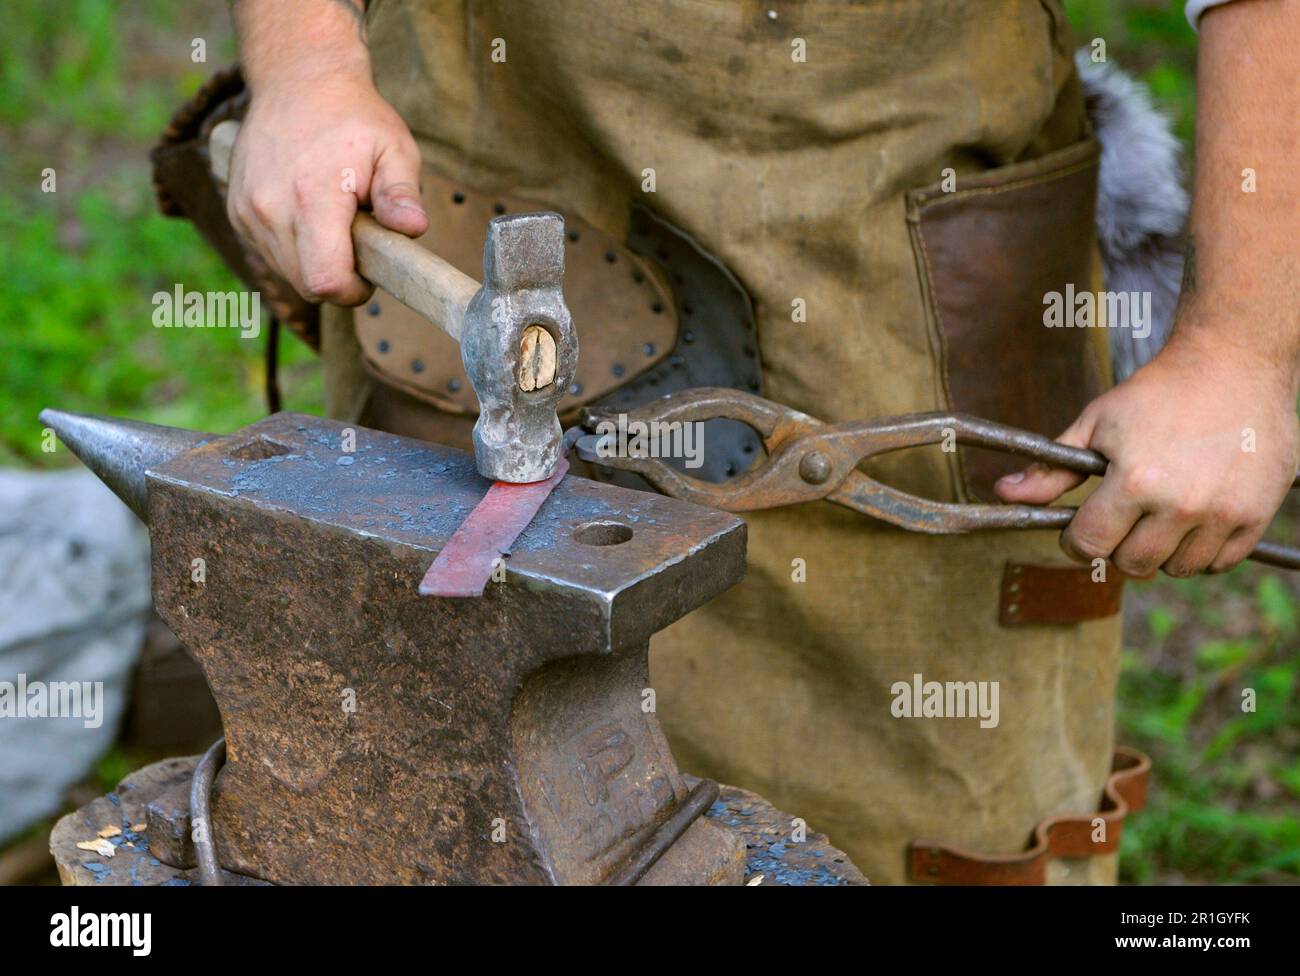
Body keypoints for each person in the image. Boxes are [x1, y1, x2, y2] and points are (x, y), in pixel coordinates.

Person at [222, 0, 1300, 883]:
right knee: (449, 802)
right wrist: (306, 59)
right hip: (484, 186)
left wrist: (1239, 352)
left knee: (926, 831)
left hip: (892, 264)